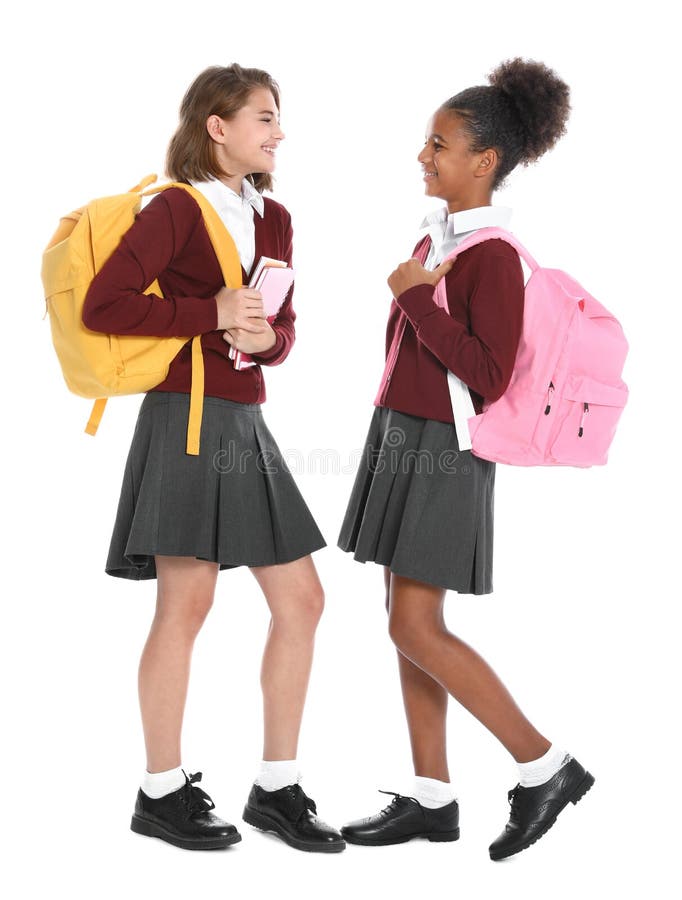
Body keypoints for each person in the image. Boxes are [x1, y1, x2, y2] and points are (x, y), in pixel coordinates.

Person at [83, 64, 344, 853]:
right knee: (185, 608)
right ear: (216, 127)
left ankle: (275, 787)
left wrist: (272, 340)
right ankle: (160, 791)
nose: (278, 132)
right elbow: (105, 304)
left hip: (244, 420)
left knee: (301, 601)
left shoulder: (276, 216)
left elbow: (283, 323)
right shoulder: (175, 208)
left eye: (278, 118)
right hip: (186, 419)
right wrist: (211, 312)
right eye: (263, 118)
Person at [337, 58, 594, 861]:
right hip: (403, 433)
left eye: (439, 144)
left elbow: (486, 373)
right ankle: (431, 797)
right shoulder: (441, 237)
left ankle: (545, 765)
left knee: (415, 622)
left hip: (442, 449)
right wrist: (414, 291)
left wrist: (413, 293)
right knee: (405, 624)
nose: (425, 155)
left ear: (483, 162)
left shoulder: (491, 254)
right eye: (426, 141)